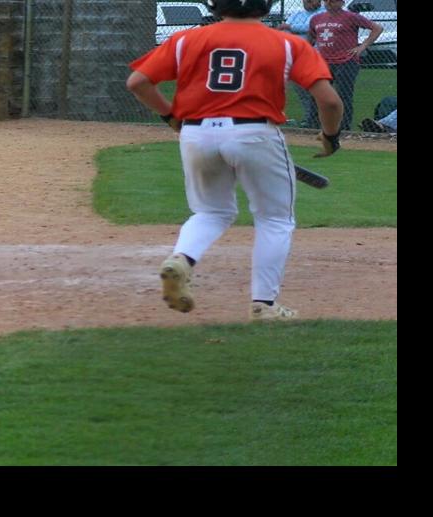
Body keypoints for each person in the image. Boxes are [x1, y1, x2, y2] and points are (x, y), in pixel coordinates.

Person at [125, 0, 342, 320]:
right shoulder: (287, 43)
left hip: (197, 133)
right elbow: (330, 101)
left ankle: (182, 258)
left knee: (210, 212)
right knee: (275, 219)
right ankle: (264, 305)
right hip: (255, 132)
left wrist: (170, 115)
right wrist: (330, 137)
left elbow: (137, 83)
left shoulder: (186, 39)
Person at [309, 0, 381, 132]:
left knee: (343, 95)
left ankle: (343, 128)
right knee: (318, 94)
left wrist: (362, 47)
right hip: (324, 62)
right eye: (326, 0)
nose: (329, 3)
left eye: (333, 1)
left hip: (346, 61)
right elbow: (313, 37)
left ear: (342, 2)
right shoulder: (316, 18)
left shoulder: (351, 17)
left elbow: (377, 28)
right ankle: (314, 126)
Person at [276, 0, 321, 128]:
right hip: (294, 57)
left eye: (313, 1)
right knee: (301, 91)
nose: (310, 3)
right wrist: (292, 29)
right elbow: (283, 29)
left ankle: (317, 119)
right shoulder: (297, 14)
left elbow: (314, 27)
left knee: (314, 90)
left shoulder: (323, 13)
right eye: (307, 1)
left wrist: (292, 28)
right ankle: (309, 119)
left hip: (313, 56)